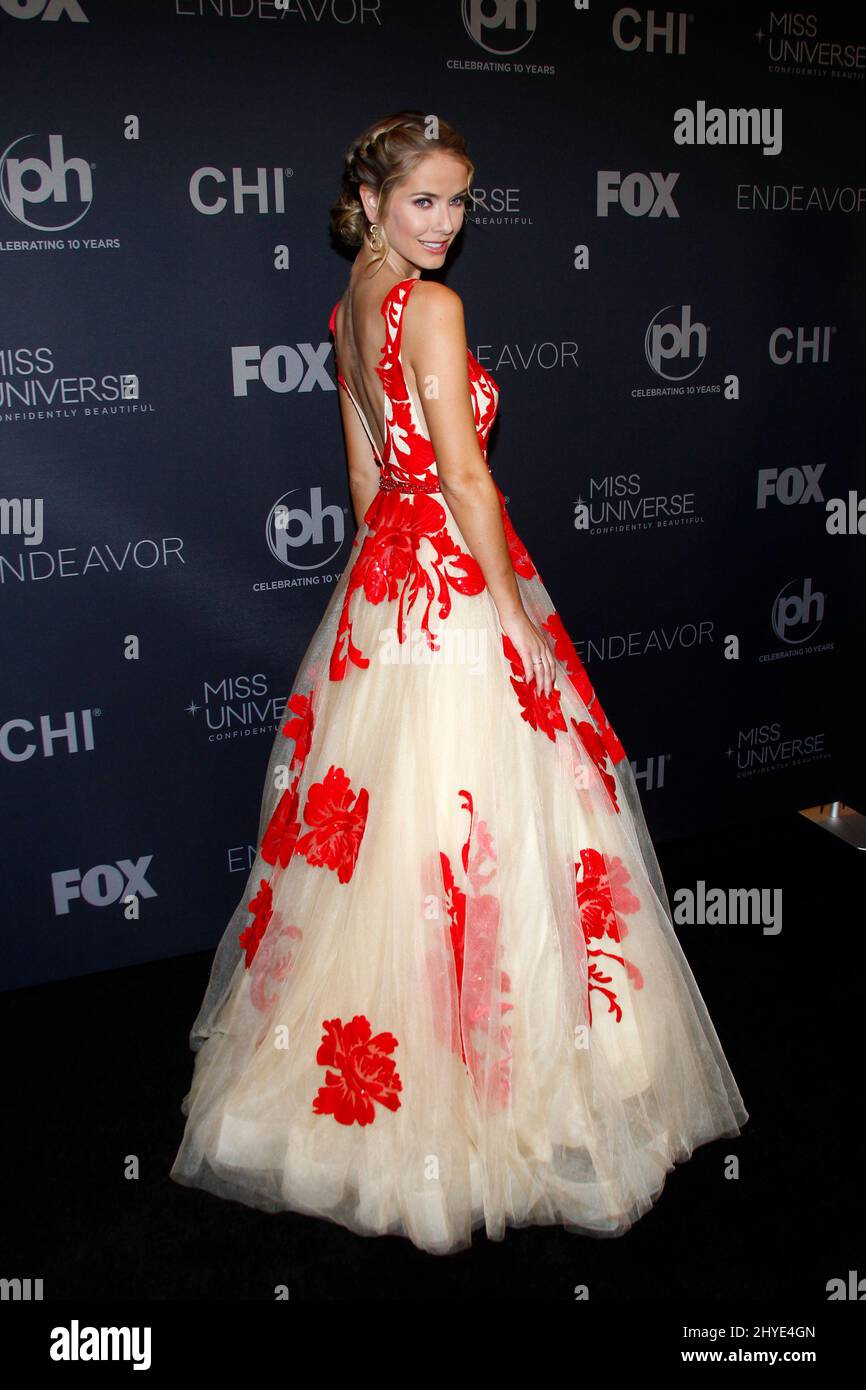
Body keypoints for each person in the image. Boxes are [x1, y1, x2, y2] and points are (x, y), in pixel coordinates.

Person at [170, 110, 748, 1256]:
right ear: (374, 201)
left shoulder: (346, 310)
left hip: (391, 582)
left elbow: (361, 472)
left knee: (390, 838)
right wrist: (506, 614)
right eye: (424, 199)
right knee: (483, 820)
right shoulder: (430, 309)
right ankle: (490, 1088)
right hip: (459, 583)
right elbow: (469, 478)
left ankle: (381, 1081)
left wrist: (380, 589)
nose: (444, 224)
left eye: (459, 201)